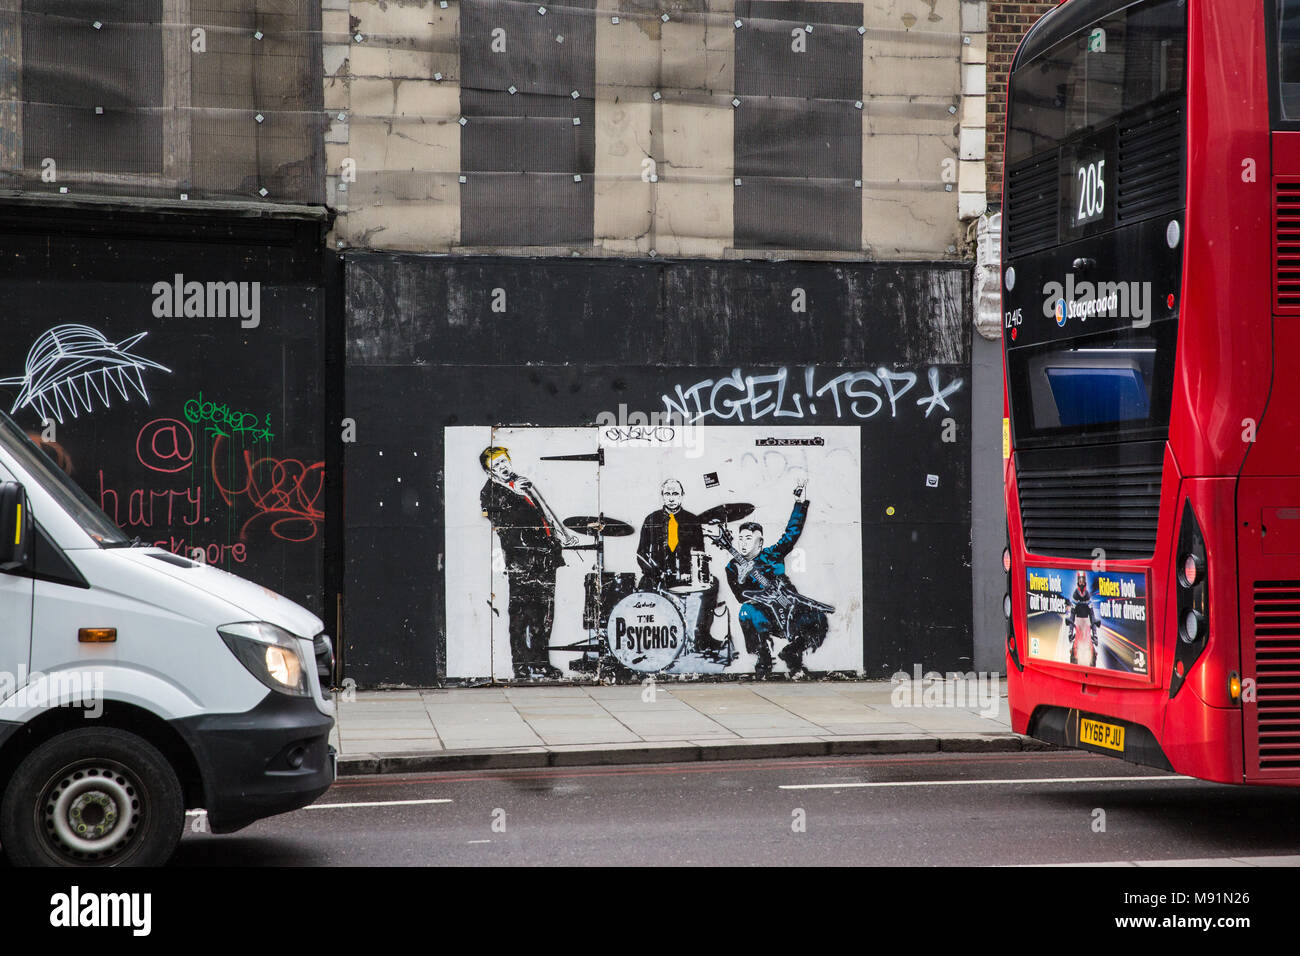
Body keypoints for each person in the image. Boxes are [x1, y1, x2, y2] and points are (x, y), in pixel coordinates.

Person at [479, 446, 575, 679]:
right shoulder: (490, 492)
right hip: (521, 562)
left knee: (544, 614)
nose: (503, 467)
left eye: (504, 461)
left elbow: (542, 515)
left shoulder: (522, 485)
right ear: (489, 472)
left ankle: (541, 663)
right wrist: (516, 492)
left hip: (544, 558)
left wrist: (560, 536)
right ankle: (520, 666)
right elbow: (505, 524)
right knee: (521, 615)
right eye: (497, 465)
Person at [715, 481, 828, 678]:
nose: (743, 543)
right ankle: (763, 657)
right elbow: (741, 598)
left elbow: (791, 534)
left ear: (760, 543)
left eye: (748, 539)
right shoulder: (733, 567)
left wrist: (799, 504)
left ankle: (793, 652)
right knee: (746, 612)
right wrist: (742, 579)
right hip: (765, 617)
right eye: (741, 538)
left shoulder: (772, 555)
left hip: (790, 610)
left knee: (818, 618)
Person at [636, 478, 720, 651]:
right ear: (662, 496)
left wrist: (693, 573)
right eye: (668, 494)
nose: (672, 498)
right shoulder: (651, 519)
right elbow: (641, 553)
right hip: (658, 575)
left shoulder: (692, 521)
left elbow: (699, 553)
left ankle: (701, 635)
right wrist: (655, 573)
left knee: (713, 583)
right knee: (643, 587)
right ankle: (654, 640)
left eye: (675, 493)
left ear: (682, 496)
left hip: (687, 575)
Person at [1065, 570, 1100, 661]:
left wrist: (1095, 633)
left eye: (1083, 580)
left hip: (1086, 623)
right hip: (1078, 622)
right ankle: (1073, 654)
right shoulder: (1075, 594)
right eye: (1080, 580)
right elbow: (1072, 613)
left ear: (1085, 581)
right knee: (1075, 643)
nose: (1081, 582)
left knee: (1091, 644)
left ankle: (1093, 656)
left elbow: (1091, 613)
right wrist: (1070, 630)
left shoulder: (1087, 595)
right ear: (1077, 581)